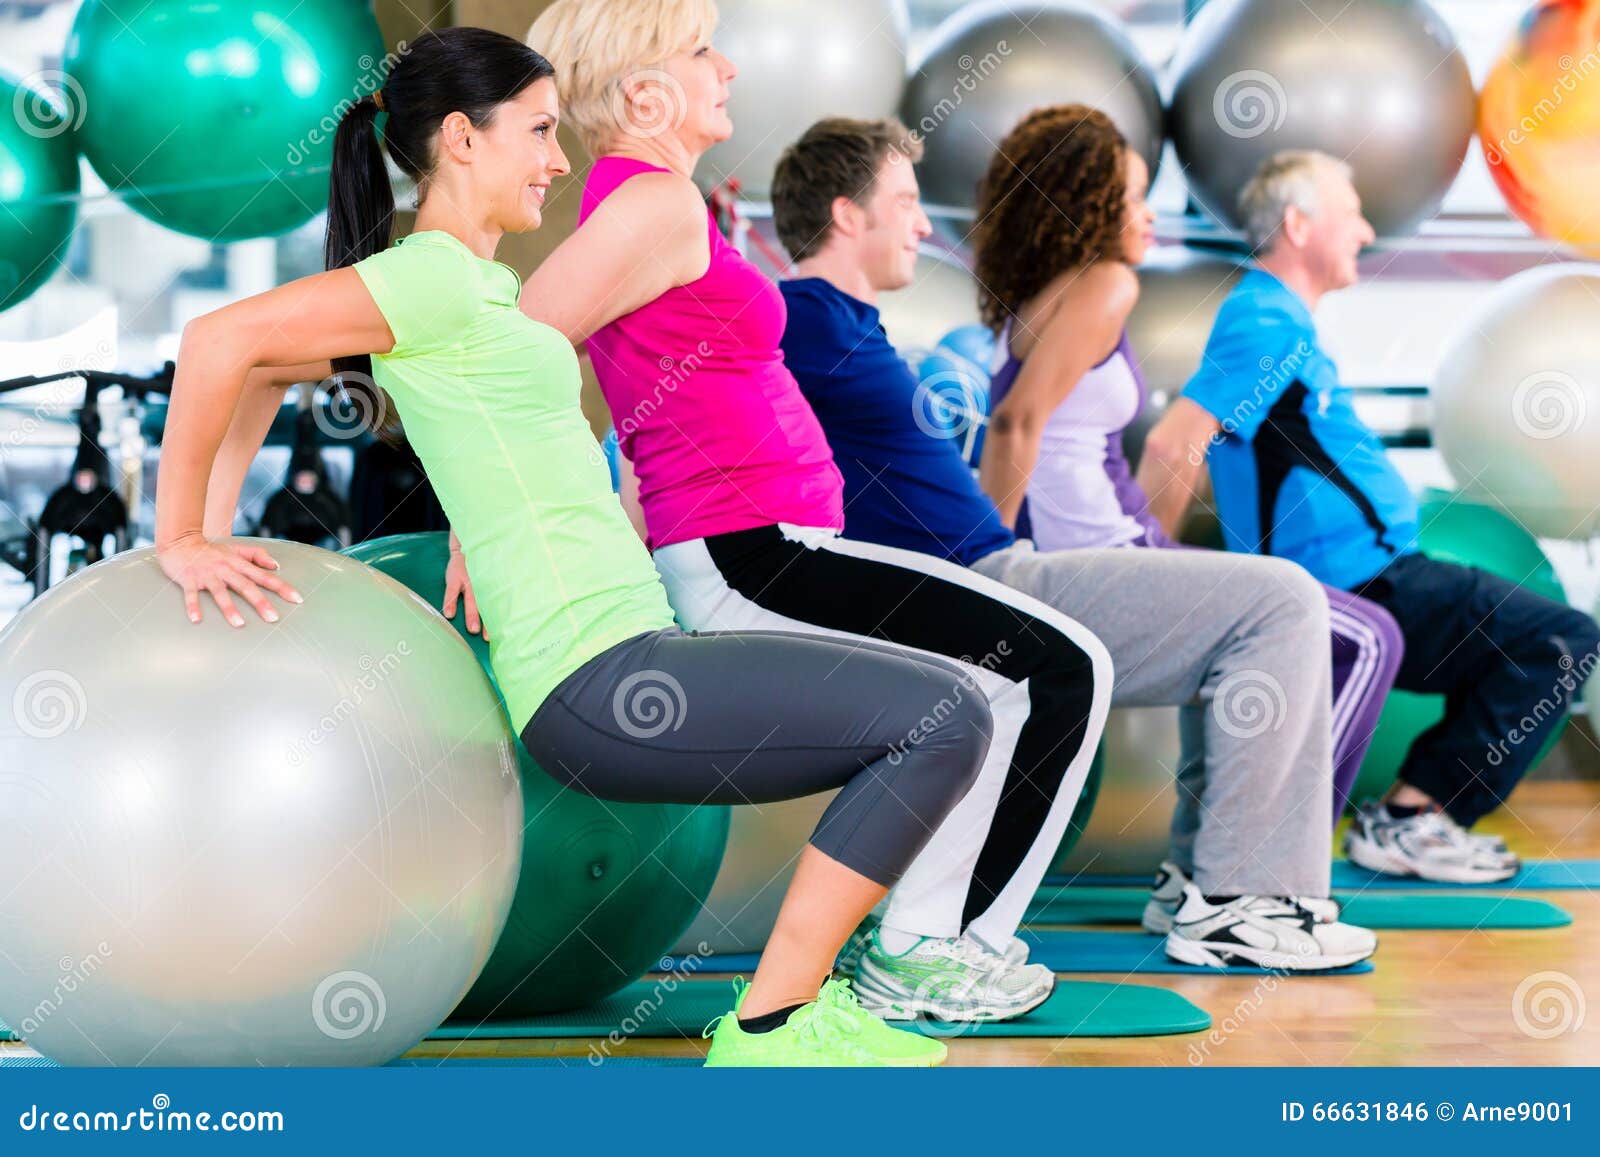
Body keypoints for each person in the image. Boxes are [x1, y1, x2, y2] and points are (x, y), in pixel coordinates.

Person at [152, 27, 1000, 1068]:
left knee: (936, 714)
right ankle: (778, 1019)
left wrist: (234, 513)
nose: (558, 161)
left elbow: (268, 366)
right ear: (462, 139)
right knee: (943, 714)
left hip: (627, 651)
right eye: (539, 132)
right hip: (598, 674)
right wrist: (188, 534)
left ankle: (789, 1010)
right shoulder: (434, 280)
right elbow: (218, 342)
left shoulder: (479, 289)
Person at [522, 0, 1111, 1022]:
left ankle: (928, 943)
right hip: (754, 552)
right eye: (703, 51)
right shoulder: (650, 205)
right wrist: (524, 518)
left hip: (773, 544)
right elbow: (522, 346)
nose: (731, 69)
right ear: (646, 91)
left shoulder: (666, 203)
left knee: (1017, 678)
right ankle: (929, 950)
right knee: (1058, 667)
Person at [771, 116, 1378, 971]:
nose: (921, 223)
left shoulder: (854, 322)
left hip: (995, 566)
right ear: (845, 215)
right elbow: (1015, 427)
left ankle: (1214, 883)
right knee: (1287, 601)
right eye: (905, 202)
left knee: (1264, 610)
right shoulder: (802, 313)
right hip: (997, 575)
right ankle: (1240, 898)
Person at [1137, 149, 1600, 883]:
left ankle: (1413, 814)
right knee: (1562, 639)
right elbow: (1174, 441)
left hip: (1373, 573)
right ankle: (1413, 818)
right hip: (1356, 583)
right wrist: (1150, 571)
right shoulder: (1265, 319)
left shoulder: (1283, 321)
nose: (1365, 226)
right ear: (1298, 224)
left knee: (1542, 644)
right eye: (1349, 208)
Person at [968, 106, 1402, 829]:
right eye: (1133, 197)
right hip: (1098, 557)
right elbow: (1016, 421)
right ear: (1088, 206)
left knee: (1246, 661)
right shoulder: (1106, 282)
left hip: (1111, 546)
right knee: (1362, 638)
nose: (1148, 215)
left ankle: (1198, 868)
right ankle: (1279, 860)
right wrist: (987, 562)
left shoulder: (1039, 298)